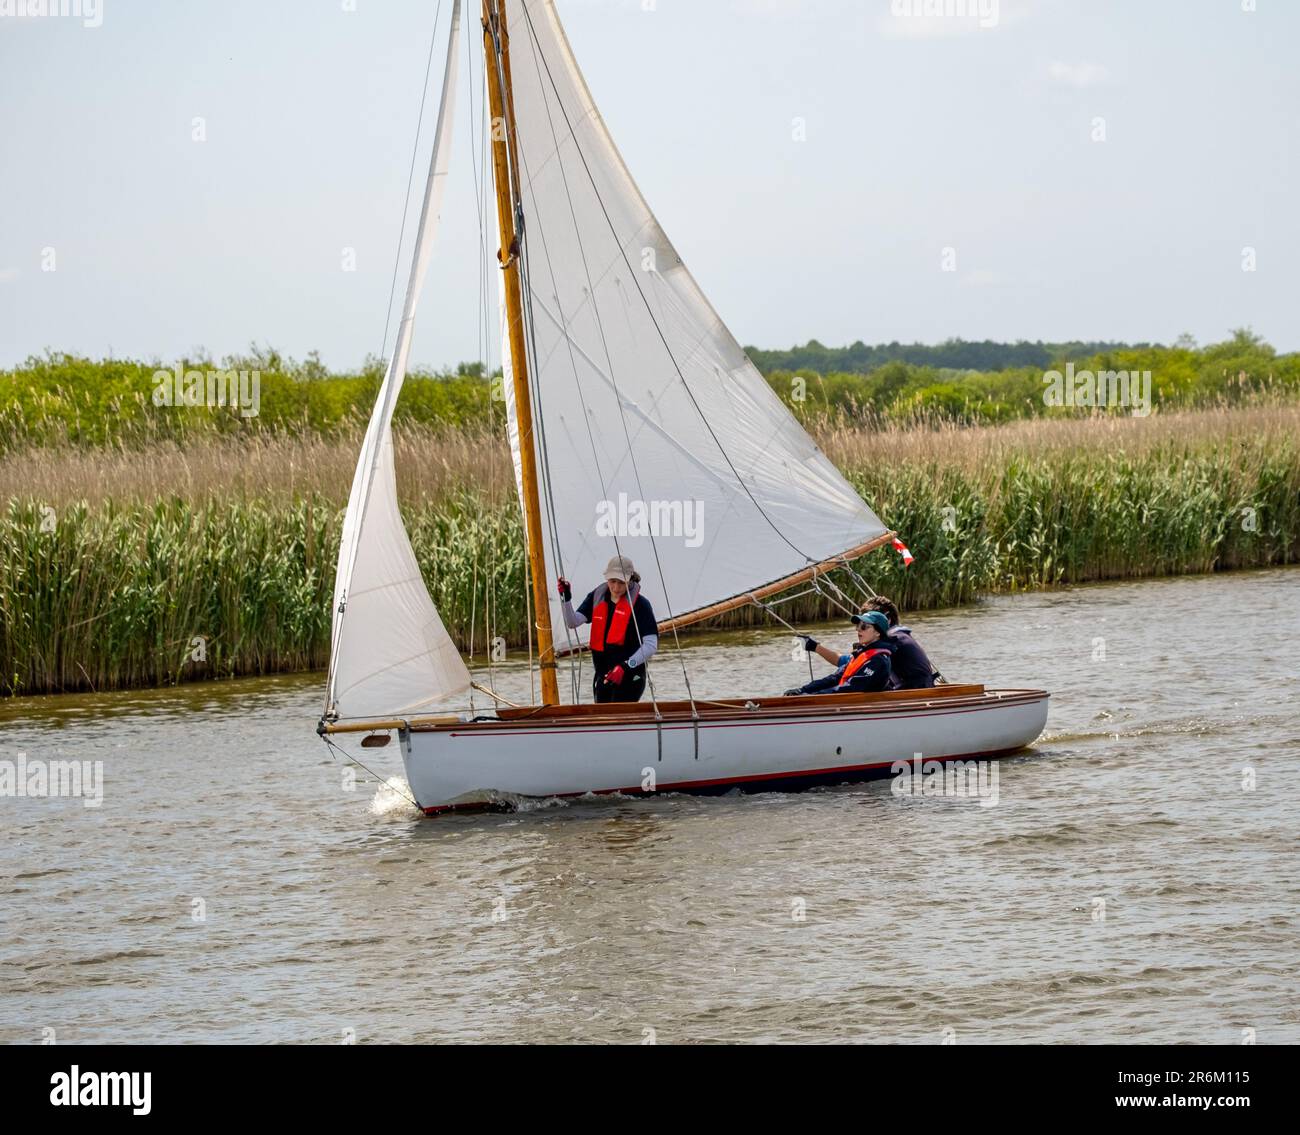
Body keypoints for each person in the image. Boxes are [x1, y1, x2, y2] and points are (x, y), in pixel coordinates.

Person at [558, 555, 658, 704]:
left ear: (630, 580)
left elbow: (651, 645)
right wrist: (566, 598)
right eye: (612, 581)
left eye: (621, 582)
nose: (616, 588)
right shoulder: (597, 597)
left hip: (631, 676)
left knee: (618, 715)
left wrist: (625, 666)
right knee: (601, 717)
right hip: (603, 677)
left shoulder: (641, 605)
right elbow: (572, 622)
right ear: (607, 578)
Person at [784, 611, 895, 696]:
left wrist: (812, 696)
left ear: (877, 632)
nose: (858, 630)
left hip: (859, 709)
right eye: (857, 626)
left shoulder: (878, 660)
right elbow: (835, 678)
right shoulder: (861, 654)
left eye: (864, 626)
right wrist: (803, 690)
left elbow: (851, 688)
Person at [862, 595, 940, 689]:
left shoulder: (894, 640)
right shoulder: (899, 636)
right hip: (917, 688)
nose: (861, 628)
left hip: (916, 693)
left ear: (888, 620)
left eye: (867, 624)